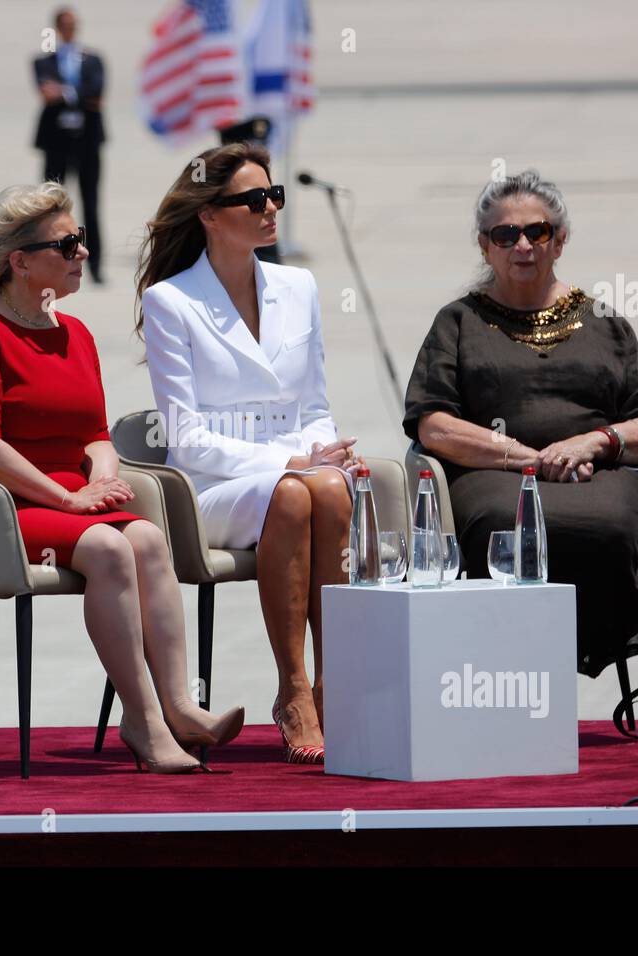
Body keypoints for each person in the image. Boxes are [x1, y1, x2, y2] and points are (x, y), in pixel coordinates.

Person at [0, 182, 244, 773]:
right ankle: (144, 720)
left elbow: (95, 434)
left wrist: (101, 477)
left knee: (149, 539)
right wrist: (68, 498)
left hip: (66, 497)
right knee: (106, 545)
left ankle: (180, 707)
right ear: (19, 261)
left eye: (82, 239)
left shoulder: (72, 331)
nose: (83, 252)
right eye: (68, 243)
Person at [136, 143, 364, 764]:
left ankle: (332, 681)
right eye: (252, 200)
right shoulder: (170, 302)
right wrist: (289, 465)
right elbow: (187, 439)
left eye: (275, 196)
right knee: (294, 491)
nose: (270, 209)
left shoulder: (299, 286)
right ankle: (293, 687)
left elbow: (314, 403)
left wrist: (325, 453)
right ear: (209, 215)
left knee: (330, 488)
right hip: (212, 489)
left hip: (296, 474)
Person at [403, 169, 638, 677]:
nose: (522, 245)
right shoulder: (457, 322)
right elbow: (433, 425)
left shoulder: (604, 320)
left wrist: (595, 442)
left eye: (538, 232)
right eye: (505, 235)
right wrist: (531, 458)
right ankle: (497, 674)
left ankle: (591, 646)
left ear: (561, 240)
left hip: (597, 474)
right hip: (495, 477)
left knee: (614, 528)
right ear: (485, 246)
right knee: (501, 526)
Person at [33, 7, 105, 283]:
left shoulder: (92, 60)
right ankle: (52, 261)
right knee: (52, 205)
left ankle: (95, 265)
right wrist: (75, 94)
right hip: (57, 140)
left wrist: (64, 92)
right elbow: (45, 93)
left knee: (91, 202)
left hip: (87, 139)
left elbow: (96, 93)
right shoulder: (44, 61)